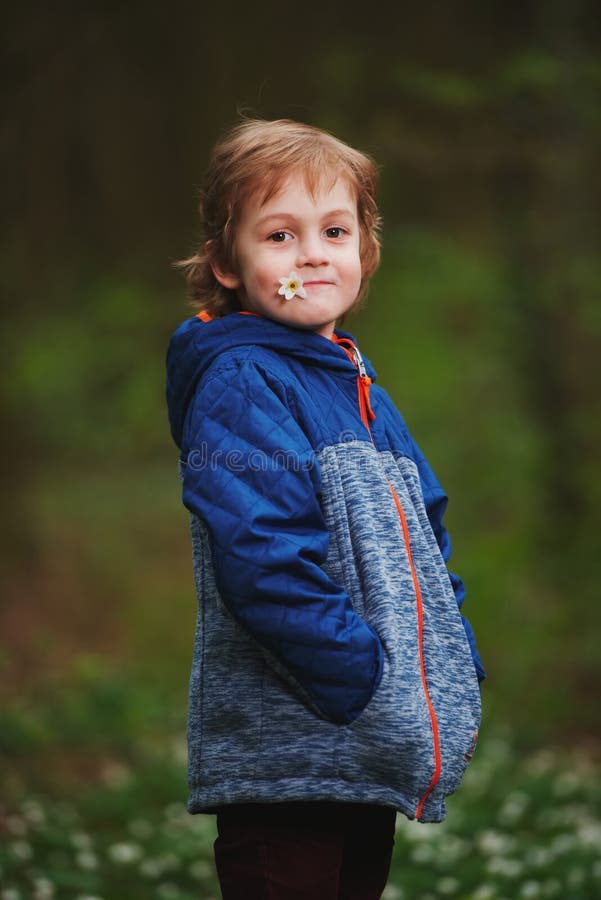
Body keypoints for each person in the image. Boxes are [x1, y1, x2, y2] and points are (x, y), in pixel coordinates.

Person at [165, 118, 485, 900]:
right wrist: (366, 681)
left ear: (364, 254)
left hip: (360, 751)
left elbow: (426, 542)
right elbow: (263, 557)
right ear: (227, 265)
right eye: (278, 235)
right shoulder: (244, 381)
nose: (311, 254)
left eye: (334, 230)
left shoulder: (354, 384)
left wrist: (452, 661)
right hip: (293, 755)